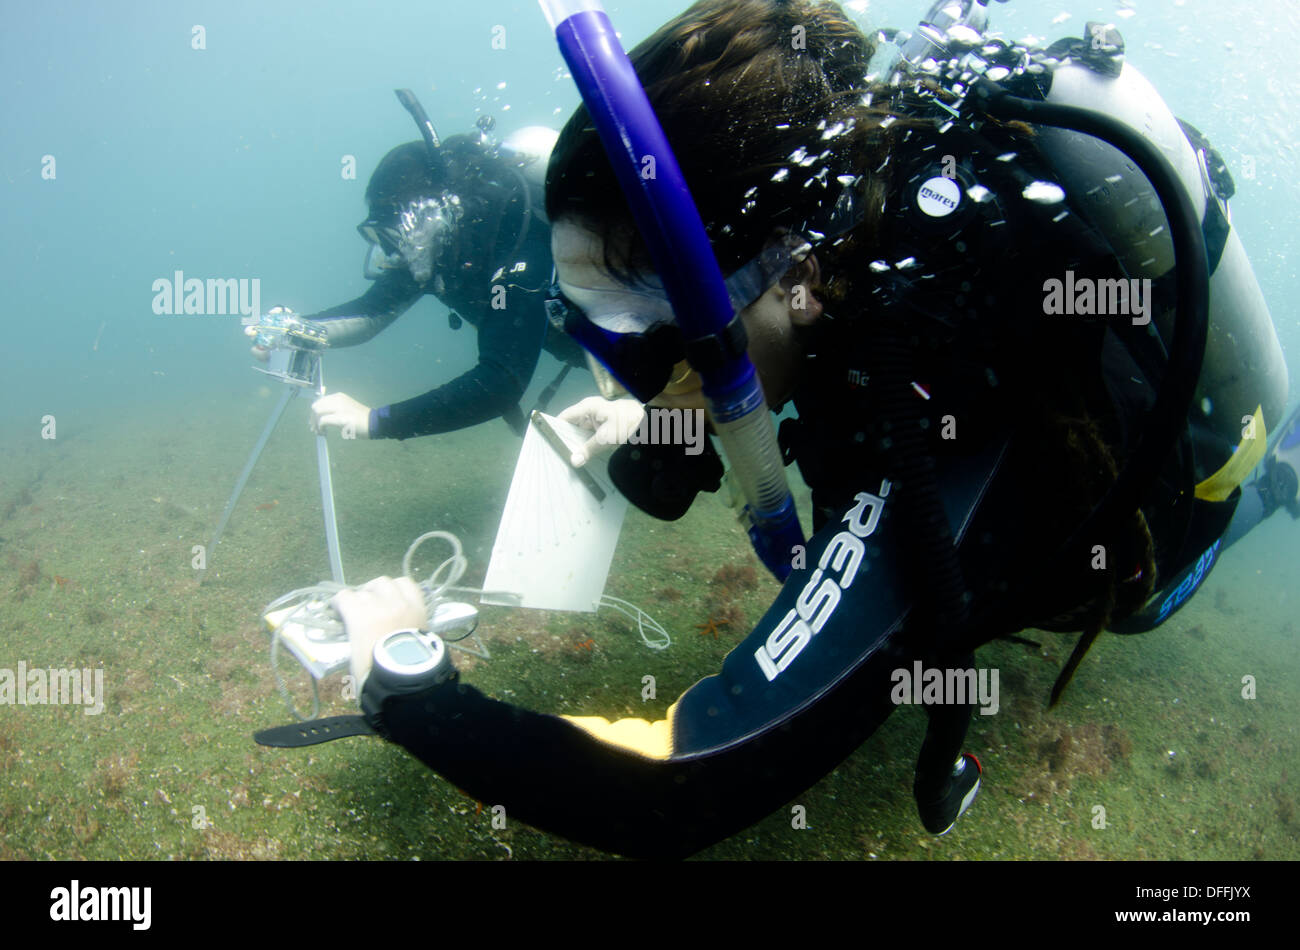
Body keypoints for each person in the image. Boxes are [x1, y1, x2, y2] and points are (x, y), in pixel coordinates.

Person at [258, 0, 1293, 858]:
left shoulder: (931, 398)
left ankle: (1270, 484)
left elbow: (673, 785)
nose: (637, 358)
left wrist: (406, 676)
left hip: (1156, 521)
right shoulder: (846, 287)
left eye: (644, 317)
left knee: (1138, 602)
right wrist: (640, 412)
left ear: (776, 271)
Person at [249, 91, 585, 441]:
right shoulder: (438, 249)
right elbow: (371, 313)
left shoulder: (520, 249)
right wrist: (293, 330)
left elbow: (499, 384)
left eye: (398, 235)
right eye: (384, 238)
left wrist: (376, 420)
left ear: (433, 218)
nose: (397, 253)